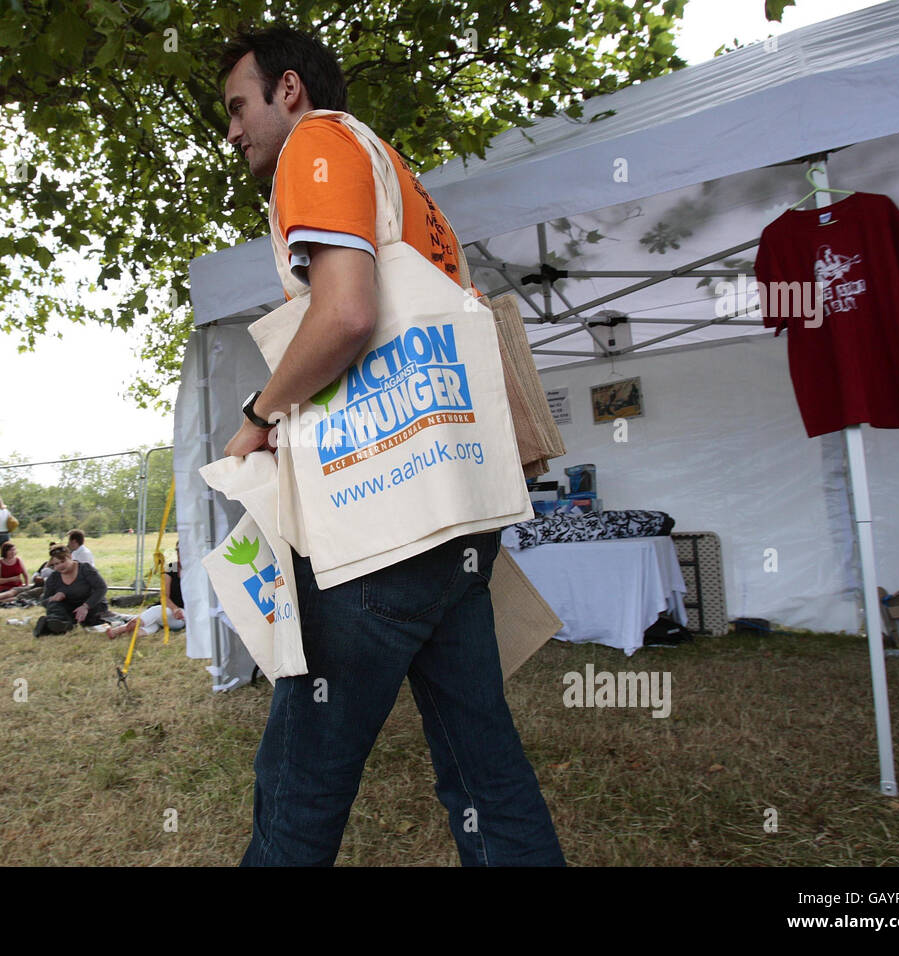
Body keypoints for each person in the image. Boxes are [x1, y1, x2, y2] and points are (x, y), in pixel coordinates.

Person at [217, 28, 564, 867]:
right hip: (456, 518)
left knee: (299, 788)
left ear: (289, 89)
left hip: (376, 534)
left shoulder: (318, 145)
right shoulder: (395, 174)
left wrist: (260, 411)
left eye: (237, 107)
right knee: (486, 774)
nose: (231, 132)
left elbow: (345, 314)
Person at [105, 546, 185, 640]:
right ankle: (136, 631)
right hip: (167, 610)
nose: (180, 553)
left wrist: (178, 611)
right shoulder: (172, 567)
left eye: (183, 550)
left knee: (157, 611)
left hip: (182, 615)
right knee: (148, 623)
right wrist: (174, 609)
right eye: (178, 550)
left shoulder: (195, 571)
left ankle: (121, 629)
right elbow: (164, 596)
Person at [33, 544, 108, 638]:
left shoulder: (85, 569)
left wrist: (86, 606)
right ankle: (58, 624)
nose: (60, 566)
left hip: (91, 604)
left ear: (71, 557)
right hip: (70, 607)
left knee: (92, 619)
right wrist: (54, 597)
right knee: (54, 605)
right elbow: (44, 600)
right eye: (56, 564)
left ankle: (55, 626)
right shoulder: (53, 577)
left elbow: (102, 588)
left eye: (63, 561)